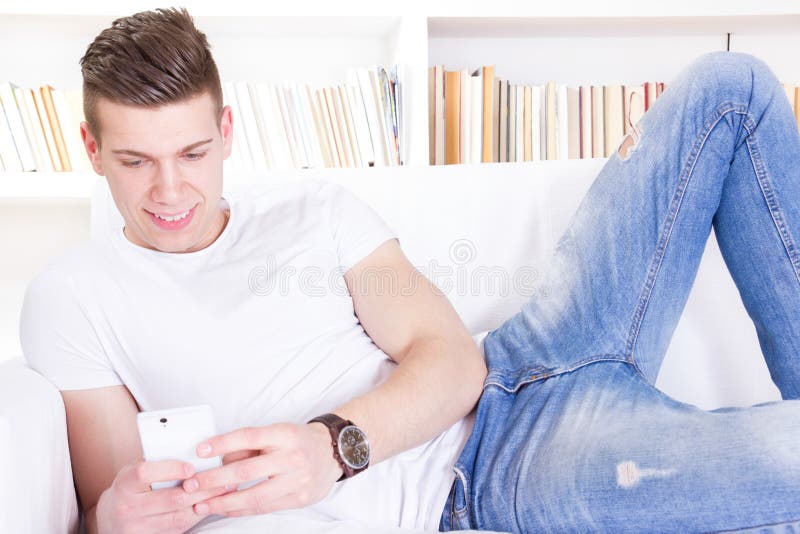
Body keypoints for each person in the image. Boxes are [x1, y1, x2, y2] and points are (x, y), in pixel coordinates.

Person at [18, 7, 800, 534]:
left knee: (729, 91)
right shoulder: (74, 296)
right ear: (93, 153)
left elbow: (451, 358)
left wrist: (334, 446)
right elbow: (111, 496)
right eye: (134, 161)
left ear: (225, 131)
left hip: (522, 359)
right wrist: (113, 517)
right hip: (501, 472)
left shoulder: (312, 213)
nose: (170, 190)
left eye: (192, 154)